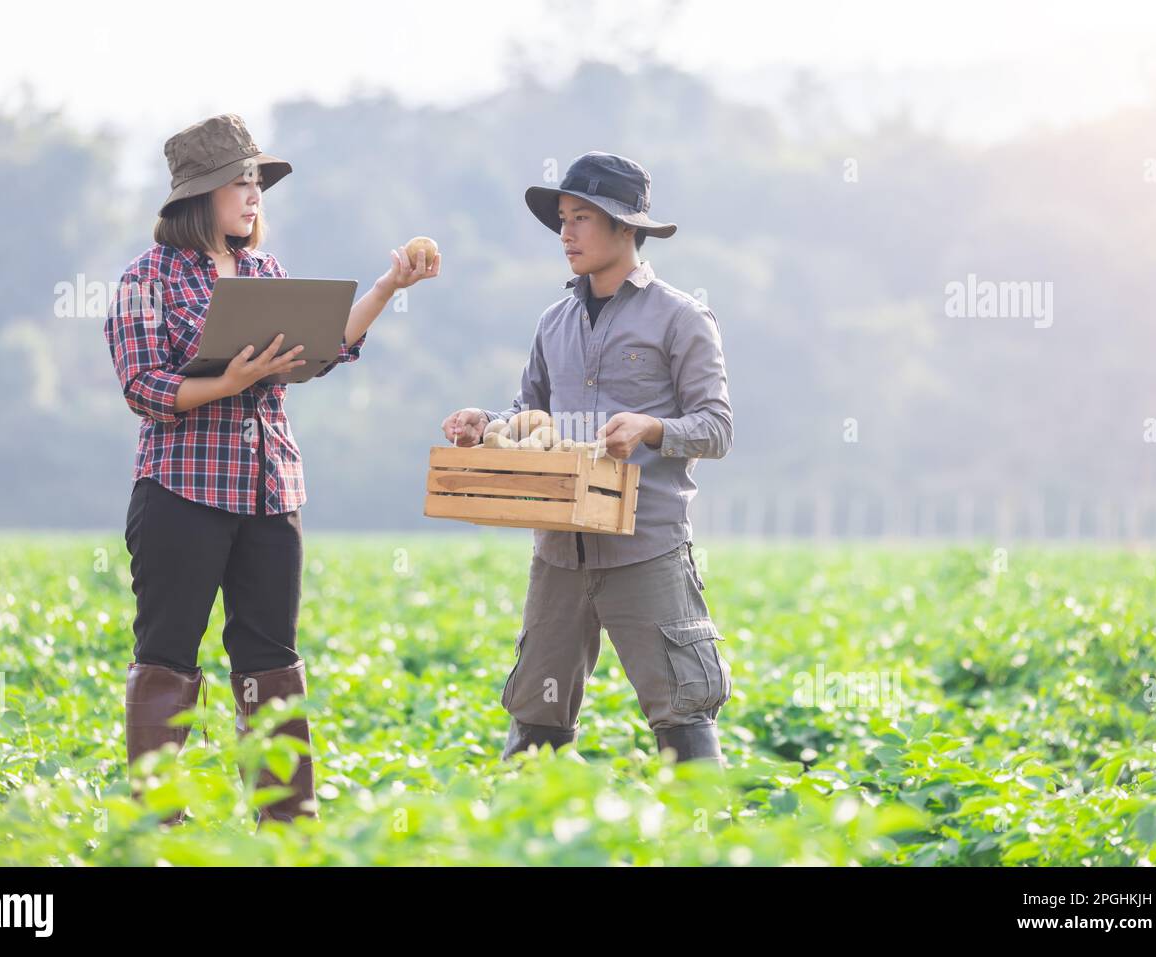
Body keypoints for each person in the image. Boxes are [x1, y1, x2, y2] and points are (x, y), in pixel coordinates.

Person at [105, 113, 439, 826]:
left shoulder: (266, 271)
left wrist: (385, 288)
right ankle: (158, 820)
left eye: (258, 182)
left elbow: (322, 352)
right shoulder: (146, 278)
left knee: (270, 660)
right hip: (180, 491)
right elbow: (143, 387)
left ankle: (287, 820)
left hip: (268, 487)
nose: (254, 196)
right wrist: (227, 382)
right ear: (199, 196)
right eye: (240, 182)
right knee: (168, 653)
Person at [440, 151, 734, 763]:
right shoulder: (554, 322)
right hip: (559, 549)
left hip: (645, 544)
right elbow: (530, 415)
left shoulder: (681, 317)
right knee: (535, 714)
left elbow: (716, 427)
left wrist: (653, 428)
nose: (566, 233)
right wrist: (485, 425)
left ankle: (705, 845)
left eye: (582, 219)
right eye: (564, 219)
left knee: (682, 710)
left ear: (627, 229)